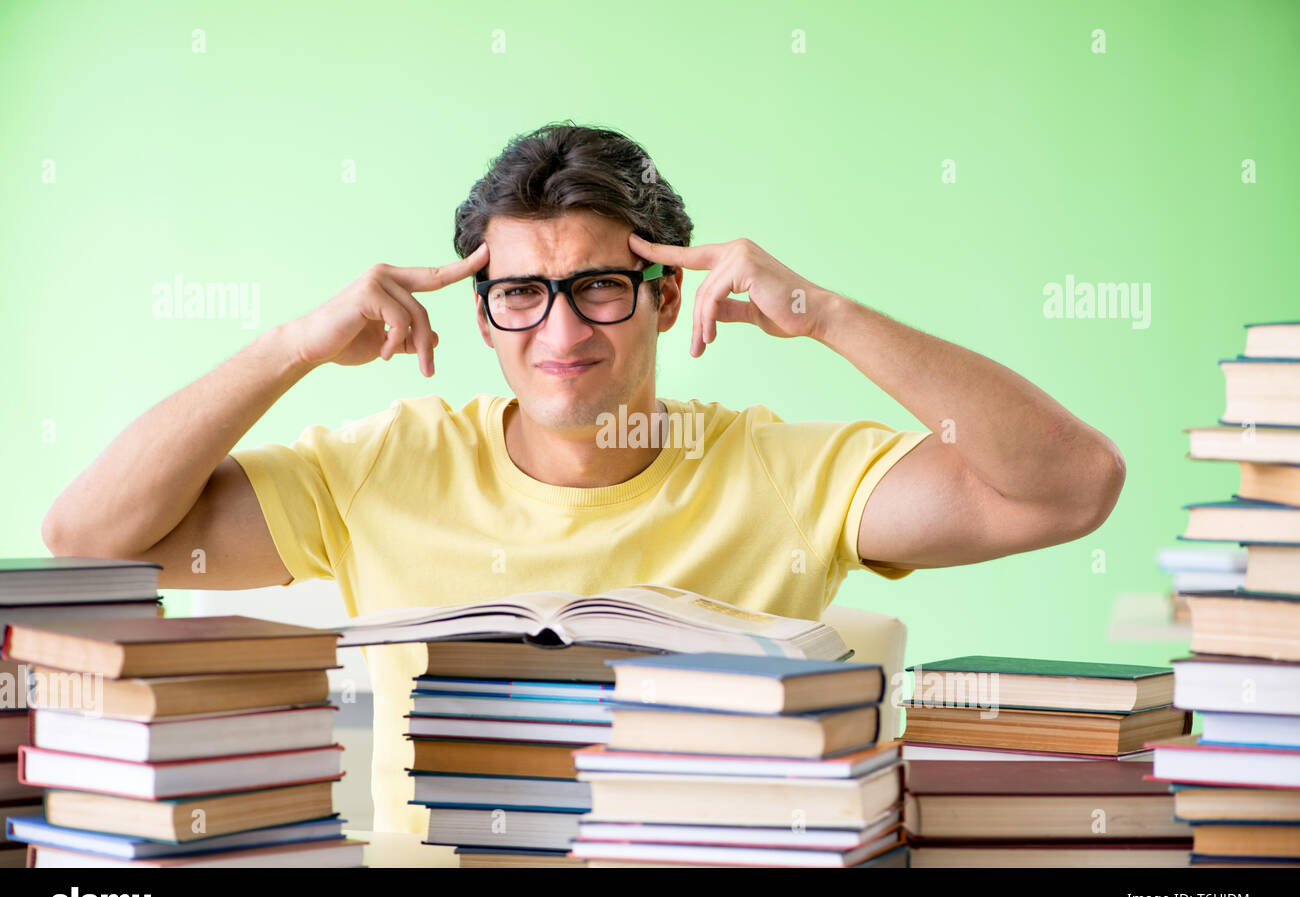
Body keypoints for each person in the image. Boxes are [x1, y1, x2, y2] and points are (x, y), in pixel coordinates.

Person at [41, 122, 1126, 837]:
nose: (559, 329)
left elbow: (1070, 488)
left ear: (665, 296)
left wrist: (824, 314)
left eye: (600, 286)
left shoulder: (781, 469)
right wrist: (288, 347)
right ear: (481, 316)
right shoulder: (382, 464)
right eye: (520, 293)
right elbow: (95, 538)